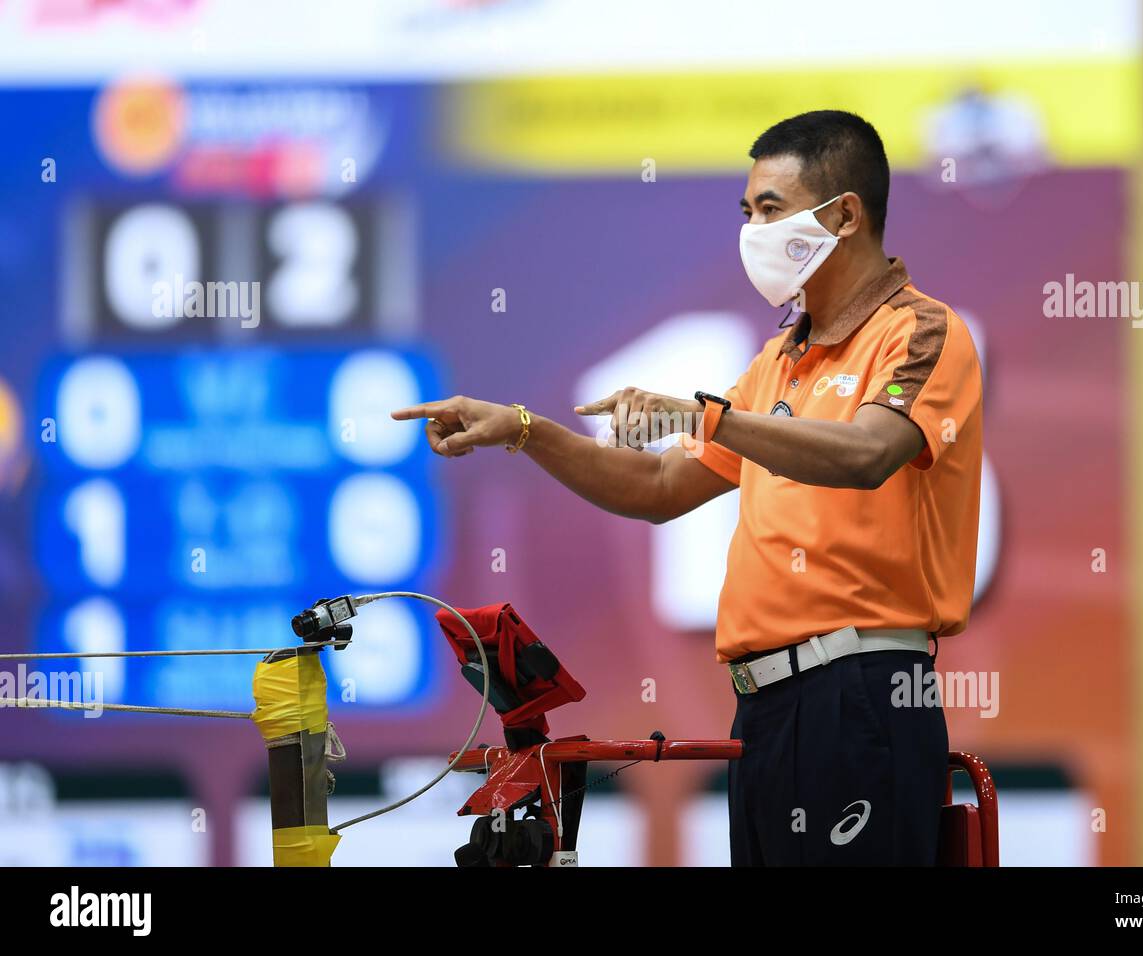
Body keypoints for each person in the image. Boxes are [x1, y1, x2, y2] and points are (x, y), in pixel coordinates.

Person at [392, 110, 983, 865]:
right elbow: (661, 484)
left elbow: (868, 452)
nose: (751, 230)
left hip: (865, 692)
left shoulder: (921, 332)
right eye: (747, 212)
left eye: (770, 209)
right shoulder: (778, 361)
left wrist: (706, 416)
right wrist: (520, 428)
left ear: (844, 215)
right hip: (765, 708)